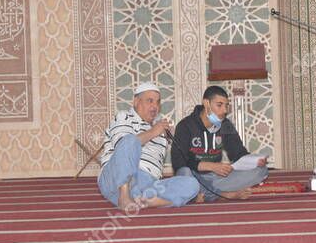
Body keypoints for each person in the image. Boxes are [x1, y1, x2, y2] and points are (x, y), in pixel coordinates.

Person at [97, 82, 201, 212]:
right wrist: (154, 132)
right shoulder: (124, 117)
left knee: (192, 184)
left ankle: (145, 202)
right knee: (130, 140)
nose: (155, 106)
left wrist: (174, 136)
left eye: (157, 102)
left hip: (147, 184)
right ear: (136, 101)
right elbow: (122, 146)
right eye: (149, 101)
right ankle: (124, 196)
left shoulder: (160, 129)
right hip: (116, 179)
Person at [172, 85, 268, 201]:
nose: (225, 110)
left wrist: (254, 161)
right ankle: (223, 195)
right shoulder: (185, 126)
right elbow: (179, 162)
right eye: (219, 105)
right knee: (184, 173)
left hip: (217, 178)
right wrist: (210, 166)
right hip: (194, 176)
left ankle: (201, 195)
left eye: (226, 105)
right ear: (206, 103)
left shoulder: (225, 125)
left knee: (261, 171)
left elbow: (238, 153)